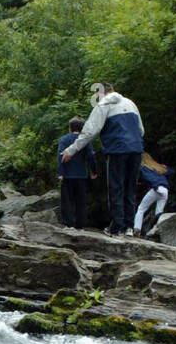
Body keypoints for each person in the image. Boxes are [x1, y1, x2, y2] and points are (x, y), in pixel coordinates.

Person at [61, 83, 145, 236]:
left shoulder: (103, 105)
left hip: (117, 150)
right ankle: (129, 227)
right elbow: (141, 130)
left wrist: (70, 151)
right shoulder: (131, 103)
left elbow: (90, 131)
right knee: (130, 188)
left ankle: (116, 227)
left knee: (116, 187)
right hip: (136, 149)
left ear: (101, 94)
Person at [56, 117, 97, 229]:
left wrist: (60, 173)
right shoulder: (84, 140)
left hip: (67, 175)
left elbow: (60, 157)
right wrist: (93, 171)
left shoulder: (64, 139)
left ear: (70, 128)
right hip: (81, 175)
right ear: (82, 128)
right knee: (81, 201)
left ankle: (69, 224)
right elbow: (91, 156)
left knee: (67, 201)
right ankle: (81, 225)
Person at [133, 152, 171, 237]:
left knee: (141, 208)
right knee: (159, 212)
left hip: (156, 188)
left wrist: (155, 186)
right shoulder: (157, 167)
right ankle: (158, 233)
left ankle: (137, 229)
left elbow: (149, 177)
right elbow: (170, 171)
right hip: (165, 190)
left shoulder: (144, 167)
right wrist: (165, 167)